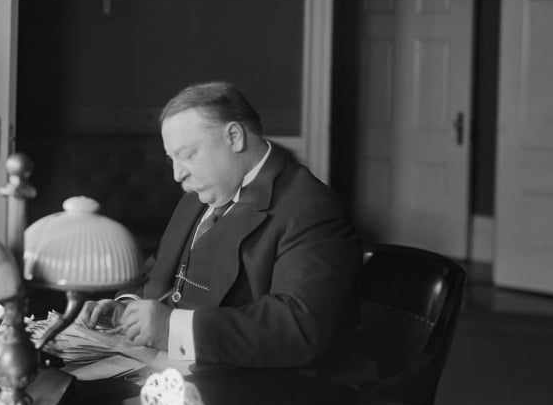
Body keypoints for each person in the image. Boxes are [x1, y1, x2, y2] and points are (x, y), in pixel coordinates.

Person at [79, 81, 362, 373]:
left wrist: (170, 328)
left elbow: (297, 328)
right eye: (172, 159)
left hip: (267, 389)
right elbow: (160, 270)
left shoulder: (310, 209)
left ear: (235, 137)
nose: (177, 175)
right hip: (174, 374)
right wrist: (128, 308)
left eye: (188, 155)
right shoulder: (199, 195)